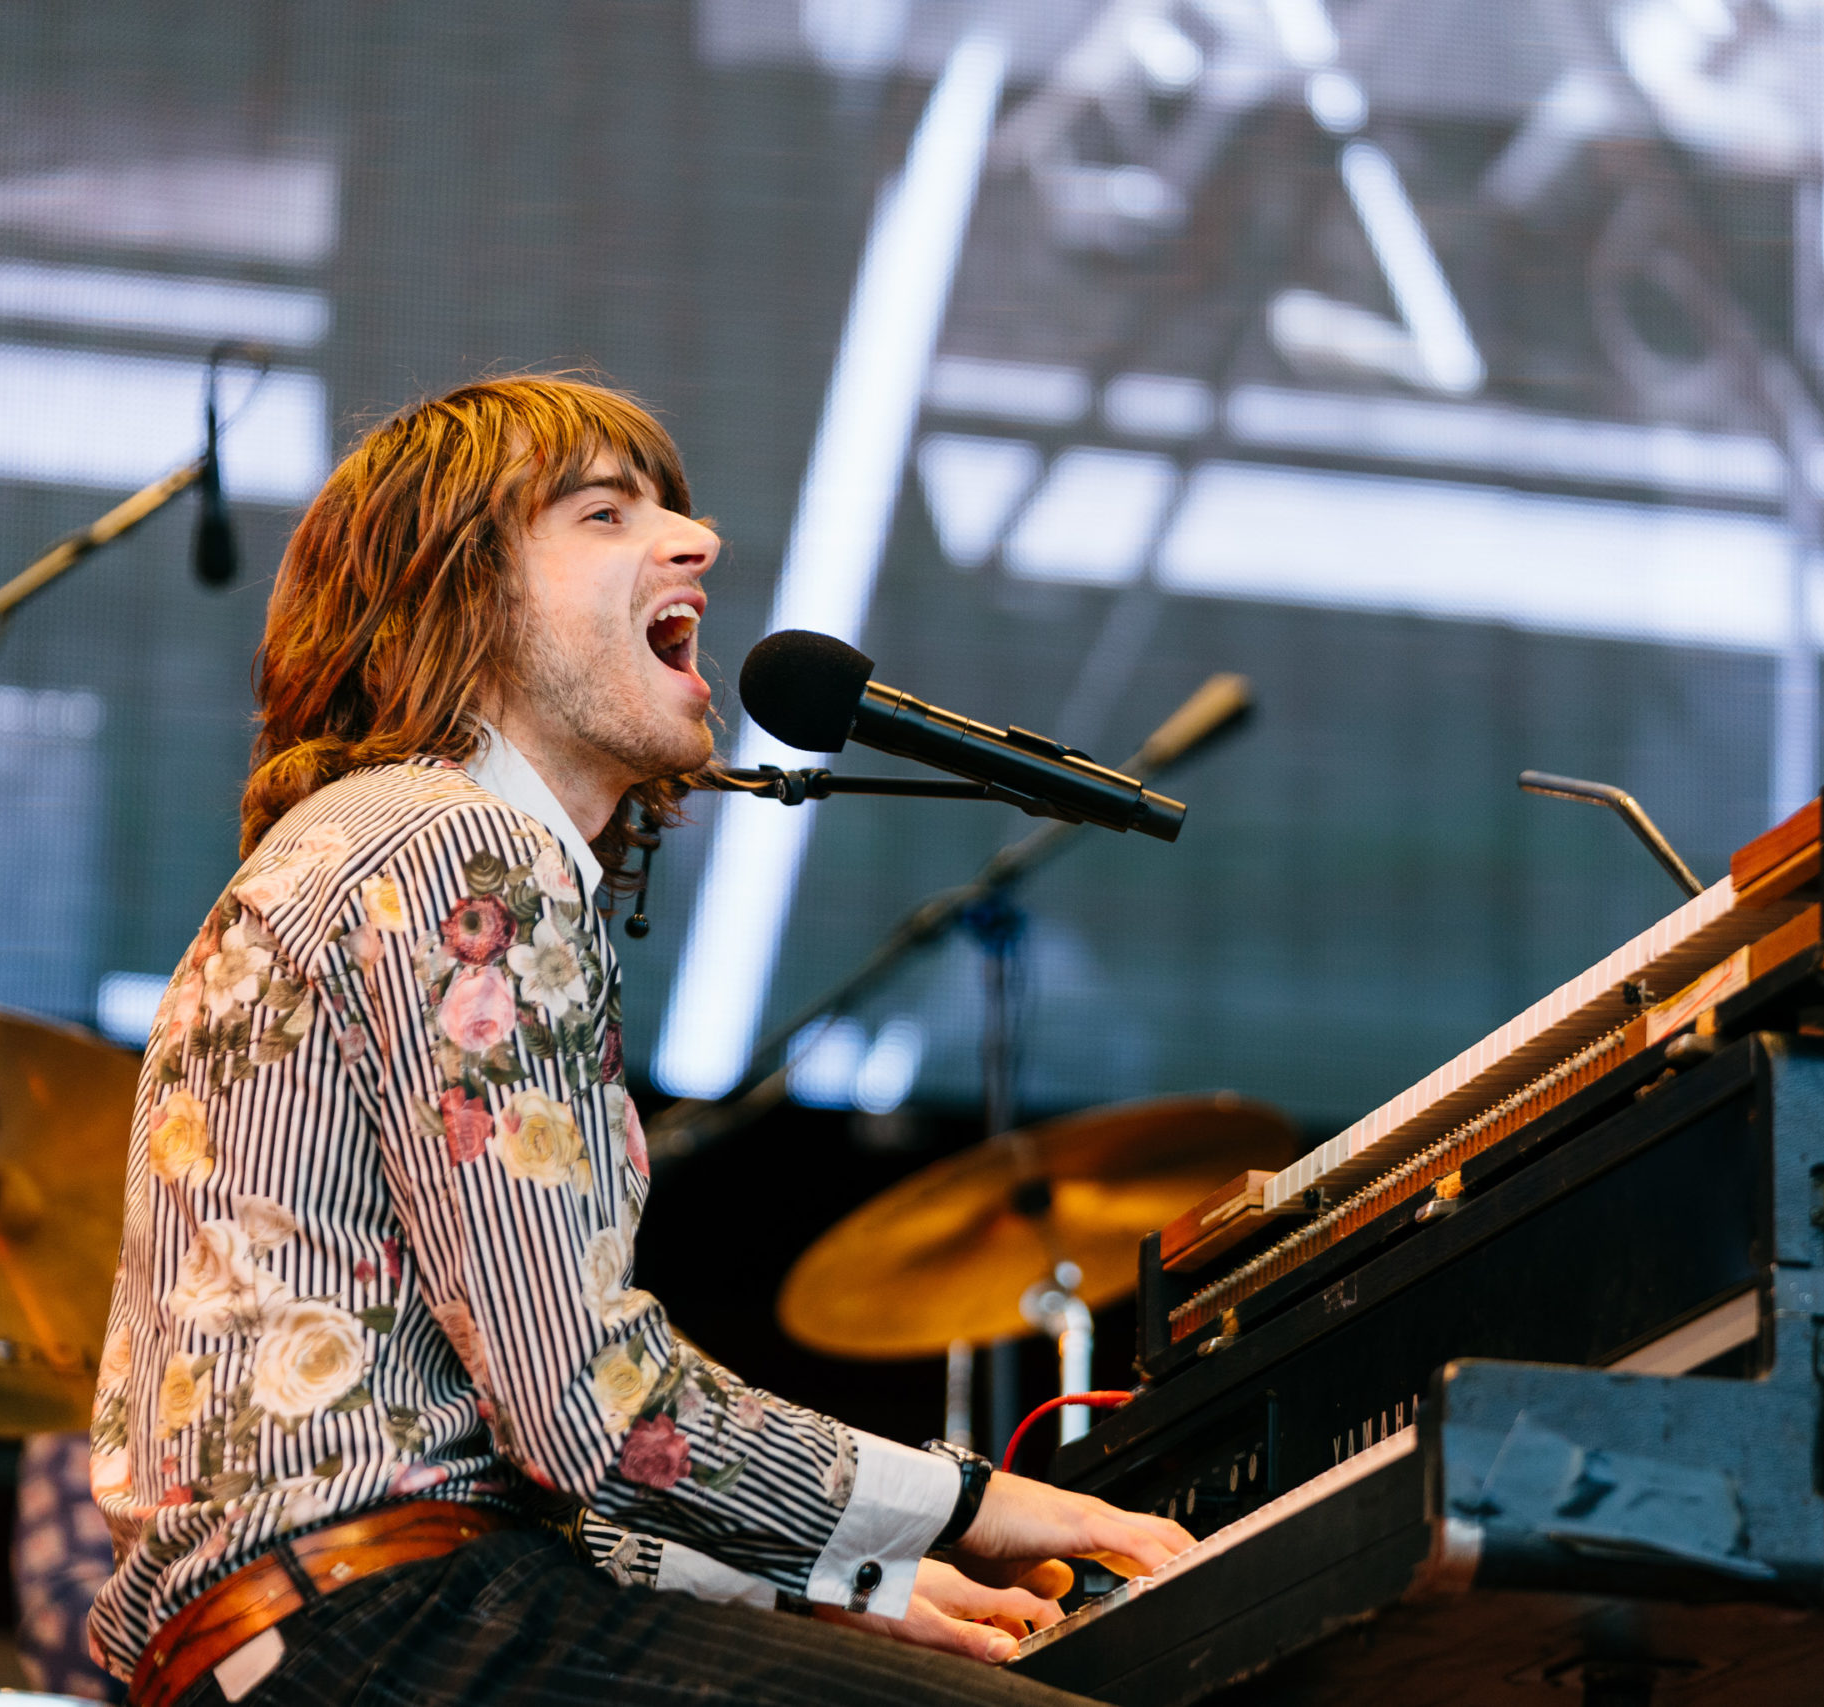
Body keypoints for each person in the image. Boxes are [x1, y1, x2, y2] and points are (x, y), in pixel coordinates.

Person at [85, 375, 1192, 1707]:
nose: (696, 542)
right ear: (460, 595)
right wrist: (965, 1504)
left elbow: (485, 1450)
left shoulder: (366, 845)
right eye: (605, 515)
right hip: (389, 1623)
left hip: (296, 1638)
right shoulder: (461, 851)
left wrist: (844, 1584)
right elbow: (584, 1408)